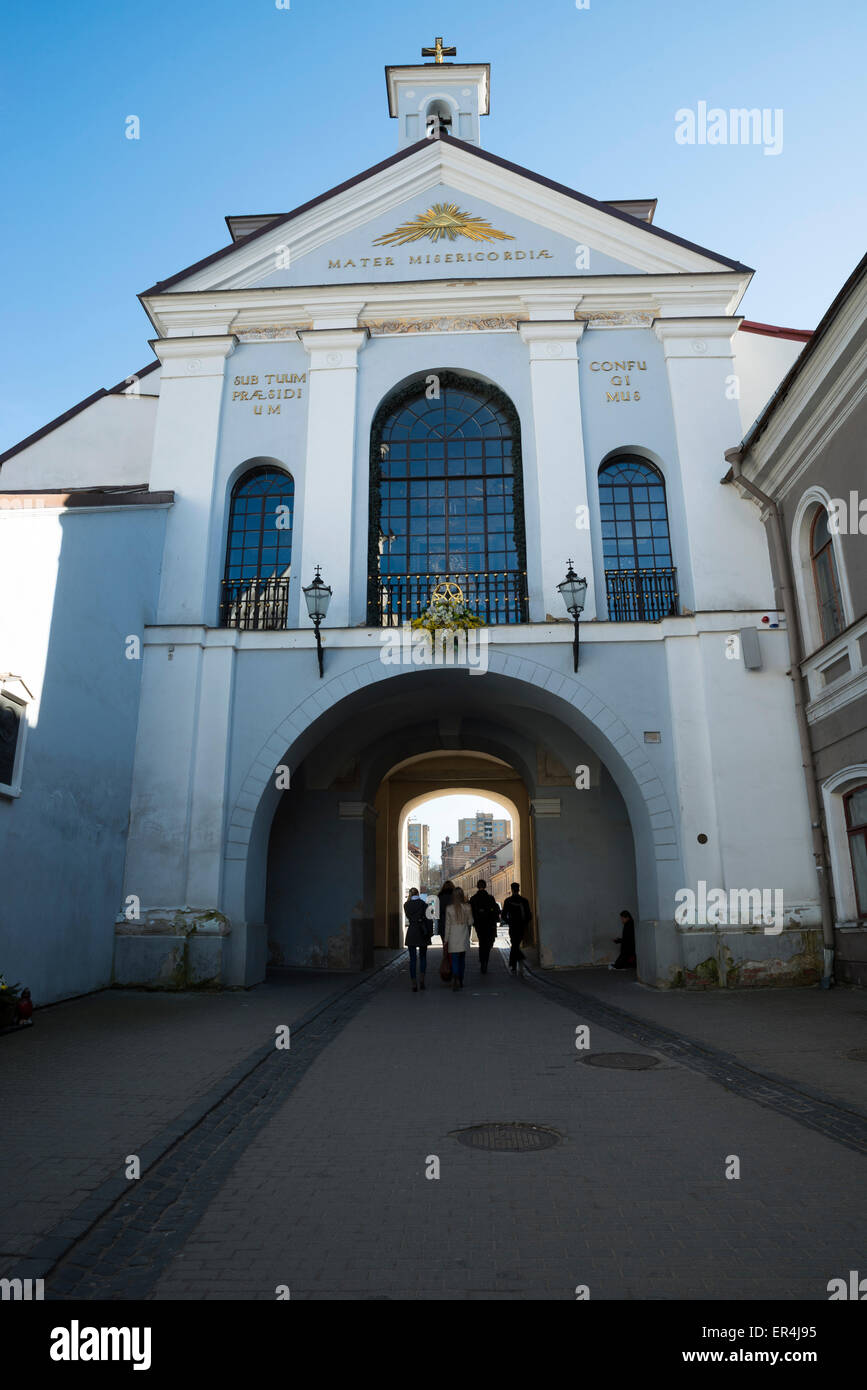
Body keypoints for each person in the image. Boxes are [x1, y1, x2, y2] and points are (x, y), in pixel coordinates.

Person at [443, 885, 473, 991]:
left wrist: (445, 940)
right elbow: (471, 922)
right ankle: (460, 978)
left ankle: (455, 975)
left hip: (452, 937)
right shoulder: (467, 907)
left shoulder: (449, 908)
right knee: (462, 959)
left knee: (454, 959)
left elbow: (447, 926)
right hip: (463, 936)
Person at [500, 882, 531, 976]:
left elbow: (503, 915)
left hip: (513, 926)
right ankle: (515, 962)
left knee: (514, 944)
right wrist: (525, 923)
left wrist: (509, 922)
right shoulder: (524, 901)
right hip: (521, 926)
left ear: (512, 890)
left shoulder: (508, 901)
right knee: (515, 944)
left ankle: (514, 963)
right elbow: (529, 915)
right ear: (519, 889)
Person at [403, 887, 431, 991]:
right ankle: (422, 980)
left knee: (413, 959)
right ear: (418, 894)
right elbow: (428, 919)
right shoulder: (424, 904)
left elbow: (409, 917)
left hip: (412, 931)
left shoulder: (406, 905)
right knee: (423, 957)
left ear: (410, 894)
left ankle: (414, 983)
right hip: (422, 931)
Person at [470, 879, 500, 974]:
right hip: (489, 925)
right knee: (487, 944)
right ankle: (485, 960)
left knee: (482, 943)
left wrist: (474, 922)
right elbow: (496, 911)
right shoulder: (490, 898)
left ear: (477, 887)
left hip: (479, 925)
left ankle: (482, 961)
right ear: (485, 886)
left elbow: (471, 912)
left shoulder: (473, 898)